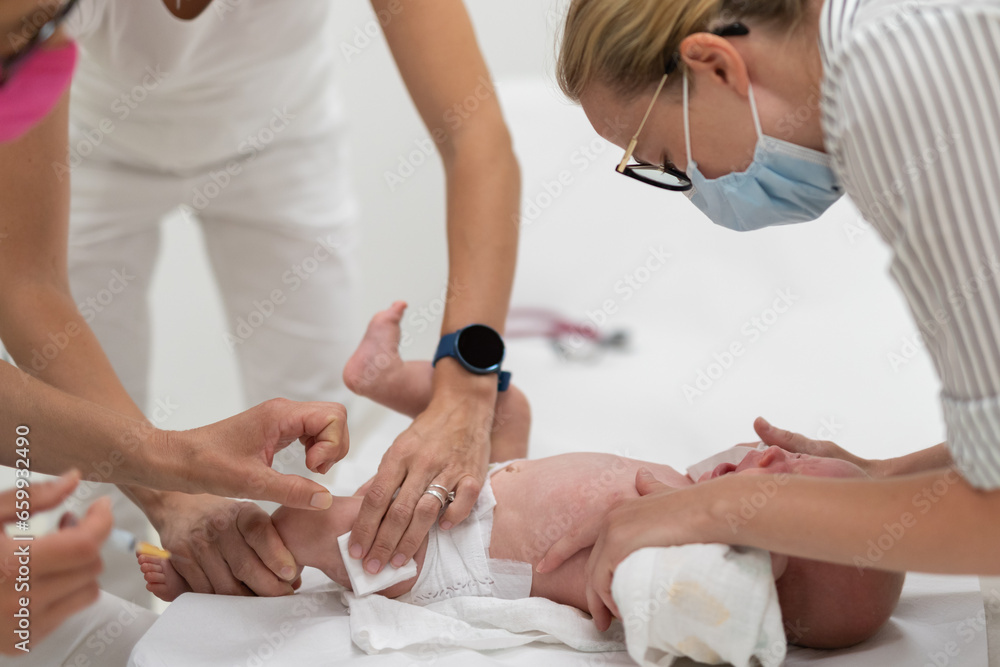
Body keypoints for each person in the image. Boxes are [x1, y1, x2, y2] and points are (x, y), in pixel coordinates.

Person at [0, 0, 519, 607]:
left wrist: (465, 391)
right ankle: (120, 635)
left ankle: (298, 628)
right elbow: (27, 285)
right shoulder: (29, 25)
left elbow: (476, 139)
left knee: (314, 441)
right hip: (88, 145)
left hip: (280, 134)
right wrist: (169, 492)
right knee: (96, 476)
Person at [528, 0, 1000, 629]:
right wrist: (883, 477)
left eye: (670, 161)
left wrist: (725, 508)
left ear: (716, 66)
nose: (695, 189)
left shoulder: (891, 78)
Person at [139, 303, 906, 650]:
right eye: (792, 456)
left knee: (319, 524)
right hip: (488, 483)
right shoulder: (702, 502)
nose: (771, 454)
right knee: (510, 404)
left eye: (786, 478)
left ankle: (210, 572)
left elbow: (639, 579)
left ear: (770, 566)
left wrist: (726, 528)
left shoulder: (700, 558)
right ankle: (382, 377)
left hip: (452, 552)